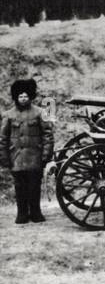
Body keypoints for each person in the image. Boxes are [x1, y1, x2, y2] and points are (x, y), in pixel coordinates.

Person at [2, 79, 54, 225]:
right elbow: (3, 138)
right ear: (16, 97)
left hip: (35, 158)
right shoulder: (8, 115)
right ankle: (22, 214)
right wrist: (5, 158)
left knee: (34, 186)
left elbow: (48, 136)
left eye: (26, 96)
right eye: (20, 96)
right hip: (16, 158)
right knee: (20, 187)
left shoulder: (40, 112)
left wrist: (45, 156)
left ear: (30, 96)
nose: (23, 99)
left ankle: (36, 213)